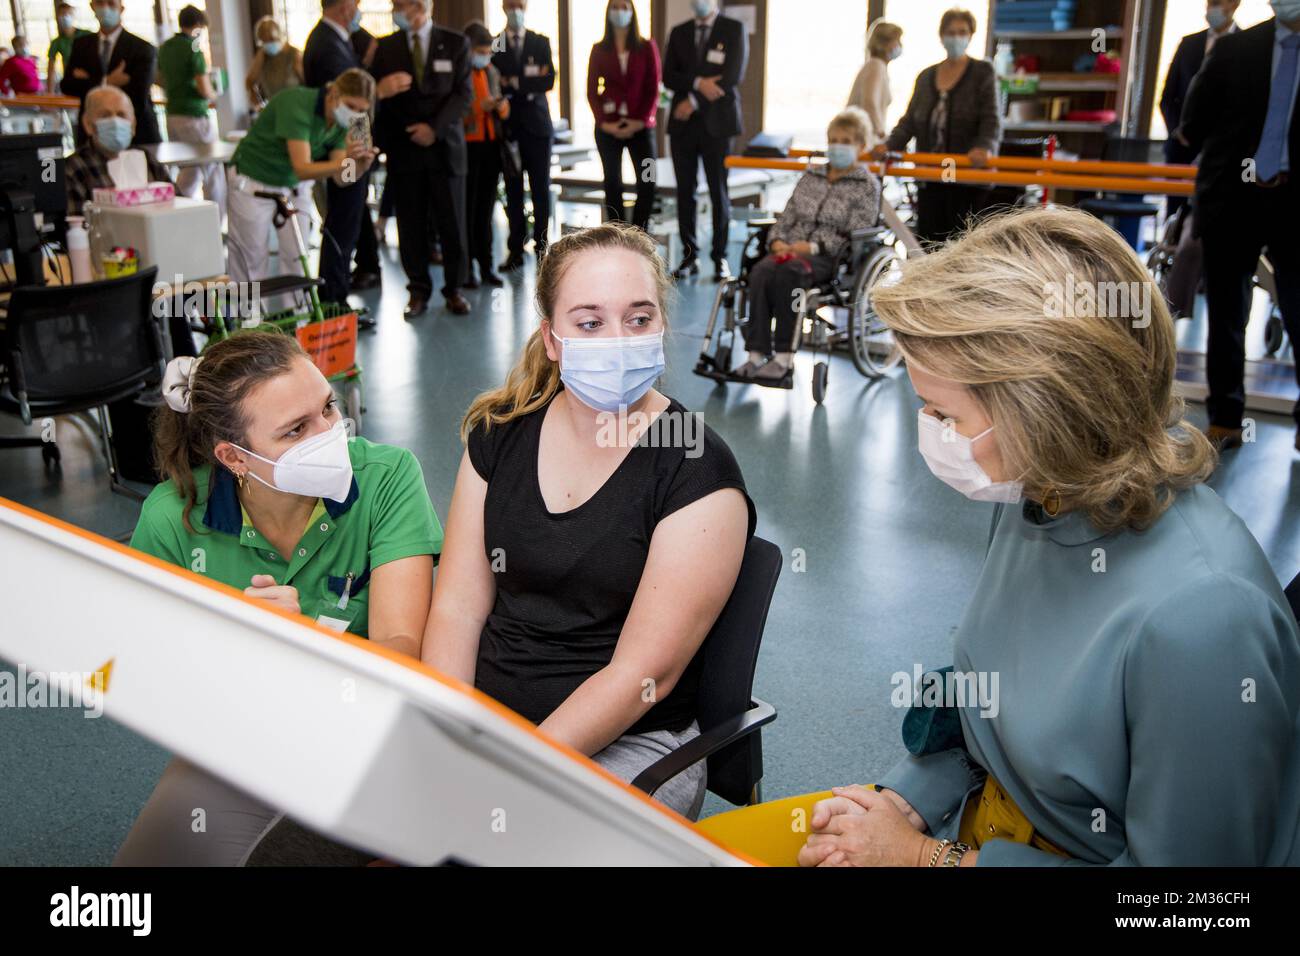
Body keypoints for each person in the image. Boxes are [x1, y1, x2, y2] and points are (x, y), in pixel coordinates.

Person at [696, 206, 1300, 867]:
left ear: (1049, 413)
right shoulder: (1041, 492)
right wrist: (907, 798)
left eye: (944, 413)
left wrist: (929, 859)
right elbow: (982, 699)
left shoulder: (1204, 618)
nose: (929, 432)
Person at [423, 221, 757, 820]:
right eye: (590, 322)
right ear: (552, 339)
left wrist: (512, 768)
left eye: (638, 318)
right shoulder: (500, 436)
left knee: (500, 843)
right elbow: (457, 607)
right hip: (487, 717)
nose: (619, 340)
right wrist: (450, 732)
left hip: (629, 744)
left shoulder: (695, 469)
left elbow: (640, 674)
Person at [113, 330, 442, 865]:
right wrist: (242, 651)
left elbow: (403, 648)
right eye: (295, 431)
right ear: (234, 457)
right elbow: (156, 682)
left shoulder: (386, 479)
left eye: (328, 409)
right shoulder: (172, 522)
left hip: (372, 732)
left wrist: (307, 645)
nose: (329, 435)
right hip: (246, 740)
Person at [1179, 0, 1300, 453]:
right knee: (1227, 312)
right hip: (1234, 197)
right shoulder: (1237, 49)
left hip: (1294, 201)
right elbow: (1193, 121)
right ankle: (1225, 418)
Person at [735, 108, 880, 386]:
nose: (838, 146)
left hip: (830, 257)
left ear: (861, 147)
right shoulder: (810, 177)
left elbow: (857, 231)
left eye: (846, 141)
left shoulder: (866, 186)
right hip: (788, 250)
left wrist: (812, 248)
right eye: (834, 139)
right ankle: (755, 354)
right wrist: (776, 240)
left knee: (790, 274)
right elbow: (786, 215)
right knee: (761, 271)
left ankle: (784, 358)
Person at [224, 69, 378, 289]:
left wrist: (360, 165)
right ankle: (250, 321)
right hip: (254, 178)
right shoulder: (296, 102)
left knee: (298, 258)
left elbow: (342, 179)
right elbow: (302, 168)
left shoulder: (349, 123)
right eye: (351, 106)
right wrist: (346, 161)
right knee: (252, 261)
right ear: (333, 92)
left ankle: (300, 318)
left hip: (293, 187)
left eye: (361, 110)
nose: (355, 114)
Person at [371, 0, 472, 318]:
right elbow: (379, 102)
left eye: (401, 4)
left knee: (452, 223)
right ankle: (417, 291)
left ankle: (454, 289)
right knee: (410, 225)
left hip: (444, 148)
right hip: (405, 151)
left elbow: (463, 95)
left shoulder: (456, 42)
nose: (397, 10)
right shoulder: (386, 47)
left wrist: (434, 129)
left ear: (420, 6)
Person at [874, 7, 999, 246]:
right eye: (951, 32)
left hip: (967, 175)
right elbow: (909, 121)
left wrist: (984, 147)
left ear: (971, 35)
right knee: (930, 240)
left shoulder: (983, 72)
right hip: (931, 174)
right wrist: (889, 146)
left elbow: (991, 119)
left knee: (962, 242)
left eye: (962, 32)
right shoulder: (926, 76)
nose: (956, 37)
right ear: (942, 36)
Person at [303, 0, 384, 307]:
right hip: (345, 148)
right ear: (344, 6)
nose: (358, 9)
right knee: (342, 220)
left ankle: (361, 272)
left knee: (351, 214)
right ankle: (333, 300)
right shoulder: (327, 44)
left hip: (350, 147)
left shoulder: (336, 39)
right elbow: (355, 103)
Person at [663, 0, 747, 281]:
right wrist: (699, 84)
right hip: (683, 125)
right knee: (685, 192)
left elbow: (731, 76)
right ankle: (689, 257)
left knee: (717, 192)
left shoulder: (733, 29)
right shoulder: (679, 32)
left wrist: (694, 100)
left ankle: (720, 257)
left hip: (718, 125)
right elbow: (669, 76)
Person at [1158, 1, 1239, 218]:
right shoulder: (1189, 44)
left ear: (1234, 4)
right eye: (1209, 3)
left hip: (1224, 150)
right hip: (1180, 146)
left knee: (1216, 211)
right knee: (1175, 210)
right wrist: (1178, 131)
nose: (1211, 9)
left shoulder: (1247, 46)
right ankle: (1172, 246)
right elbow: (1167, 97)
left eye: (1216, 3)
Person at [492, 0, 556, 271]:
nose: (515, 10)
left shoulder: (540, 42)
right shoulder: (497, 43)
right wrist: (526, 83)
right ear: (504, 8)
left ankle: (543, 246)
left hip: (538, 130)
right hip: (511, 131)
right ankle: (515, 248)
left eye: (519, 5)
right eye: (510, 5)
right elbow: (497, 83)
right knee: (514, 190)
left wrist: (514, 82)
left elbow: (548, 80)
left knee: (541, 188)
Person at [587, 0, 662, 231]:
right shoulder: (599, 49)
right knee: (612, 182)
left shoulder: (647, 47)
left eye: (625, 7)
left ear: (632, 12)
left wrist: (639, 121)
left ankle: (640, 233)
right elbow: (592, 91)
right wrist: (604, 123)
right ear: (609, 12)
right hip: (609, 130)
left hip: (642, 128)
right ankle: (617, 234)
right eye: (615, 7)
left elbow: (653, 87)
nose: (620, 12)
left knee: (648, 180)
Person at [61, 0, 161, 148]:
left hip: (137, 135)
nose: (105, 9)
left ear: (121, 8)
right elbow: (68, 85)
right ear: (92, 6)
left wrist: (89, 81)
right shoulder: (81, 45)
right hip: (92, 136)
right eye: (100, 3)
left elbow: (138, 92)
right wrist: (106, 81)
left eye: (111, 3)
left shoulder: (142, 48)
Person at [64, 85, 173, 217]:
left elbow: (177, 203)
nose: (115, 121)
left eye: (121, 115)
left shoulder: (146, 159)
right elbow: (75, 224)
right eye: (105, 115)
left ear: (133, 125)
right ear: (88, 124)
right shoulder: (74, 167)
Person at [157, 6, 223, 212]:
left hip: (173, 114)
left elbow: (159, 79)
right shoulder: (194, 49)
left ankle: (179, 212)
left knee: (189, 170)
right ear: (198, 26)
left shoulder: (166, 47)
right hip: (194, 117)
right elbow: (204, 88)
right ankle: (216, 222)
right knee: (213, 171)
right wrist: (215, 93)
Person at [461, 20, 508, 289]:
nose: (485, 55)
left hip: (491, 146)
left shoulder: (491, 71)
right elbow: (458, 113)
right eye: (480, 50)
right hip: (468, 146)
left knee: (486, 210)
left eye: (487, 50)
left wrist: (499, 107)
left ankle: (487, 265)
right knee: (467, 210)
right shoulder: (460, 74)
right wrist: (481, 108)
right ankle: (466, 269)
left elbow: (502, 105)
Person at [847, 19, 902, 148]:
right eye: (897, 41)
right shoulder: (876, 66)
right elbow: (869, 102)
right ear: (884, 43)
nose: (900, 45)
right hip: (863, 141)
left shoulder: (877, 67)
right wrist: (882, 135)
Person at [245, 15, 304, 107]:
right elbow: (249, 82)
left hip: (297, 108)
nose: (269, 44)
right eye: (265, 41)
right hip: (275, 111)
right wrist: (259, 105)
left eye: (271, 40)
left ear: (280, 36)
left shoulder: (294, 55)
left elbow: (307, 83)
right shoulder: (263, 57)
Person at [47, 3, 93, 88]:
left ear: (73, 15)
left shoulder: (87, 35)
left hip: (90, 80)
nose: (65, 16)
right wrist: (50, 92)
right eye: (62, 14)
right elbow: (51, 69)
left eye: (68, 14)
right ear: (57, 17)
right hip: (71, 81)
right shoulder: (57, 42)